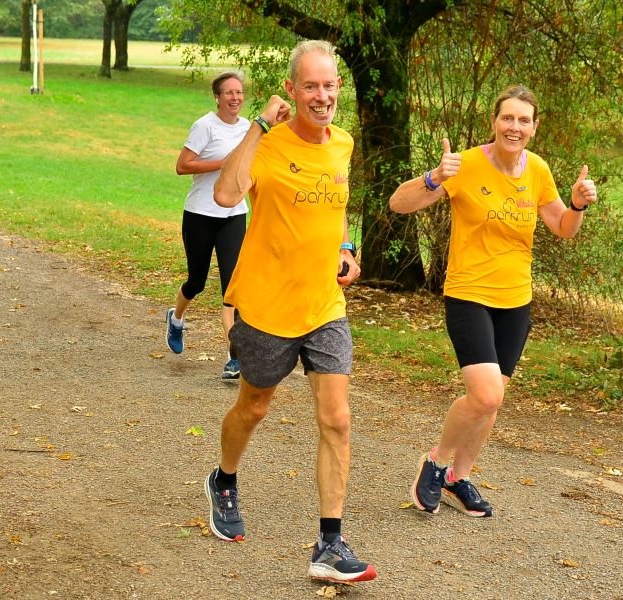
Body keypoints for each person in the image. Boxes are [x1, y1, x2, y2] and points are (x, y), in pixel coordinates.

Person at [204, 40, 376, 585]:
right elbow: (226, 195)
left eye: (329, 85)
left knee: (337, 419)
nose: (321, 96)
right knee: (254, 407)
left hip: (324, 304)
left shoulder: (343, 143)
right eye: (310, 86)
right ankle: (224, 479)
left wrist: (346, 248)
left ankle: (330, 544)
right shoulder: (267, 144)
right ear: (291, 90)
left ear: (338, 88)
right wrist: (257, 126)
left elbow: (337, 207)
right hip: (266, 307)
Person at [389, 84, 597, 518]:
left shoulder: (537, 169)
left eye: (524, 120)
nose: (514, 127)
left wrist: (577, 206)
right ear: (494, 122)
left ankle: (458, 477)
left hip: (515, 301)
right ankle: (436, 461)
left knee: (493, 400)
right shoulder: (464, 165)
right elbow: (399, 204)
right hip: (469, 294)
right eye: (508, 118)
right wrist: (434, 177)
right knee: (484, 395)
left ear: (534, 128)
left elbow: (563, 227)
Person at [166, 71, 251, 381]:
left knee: (233, 288)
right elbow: (182, 166)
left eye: (239, 92)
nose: (235, 97)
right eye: (228, 92)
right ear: (217, 97)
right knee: (197, 281)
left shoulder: (248, 129)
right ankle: (176, 318)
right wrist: (222, 163)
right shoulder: (205, 126)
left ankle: (234, 356)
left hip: (234, 215)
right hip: (200, 214)